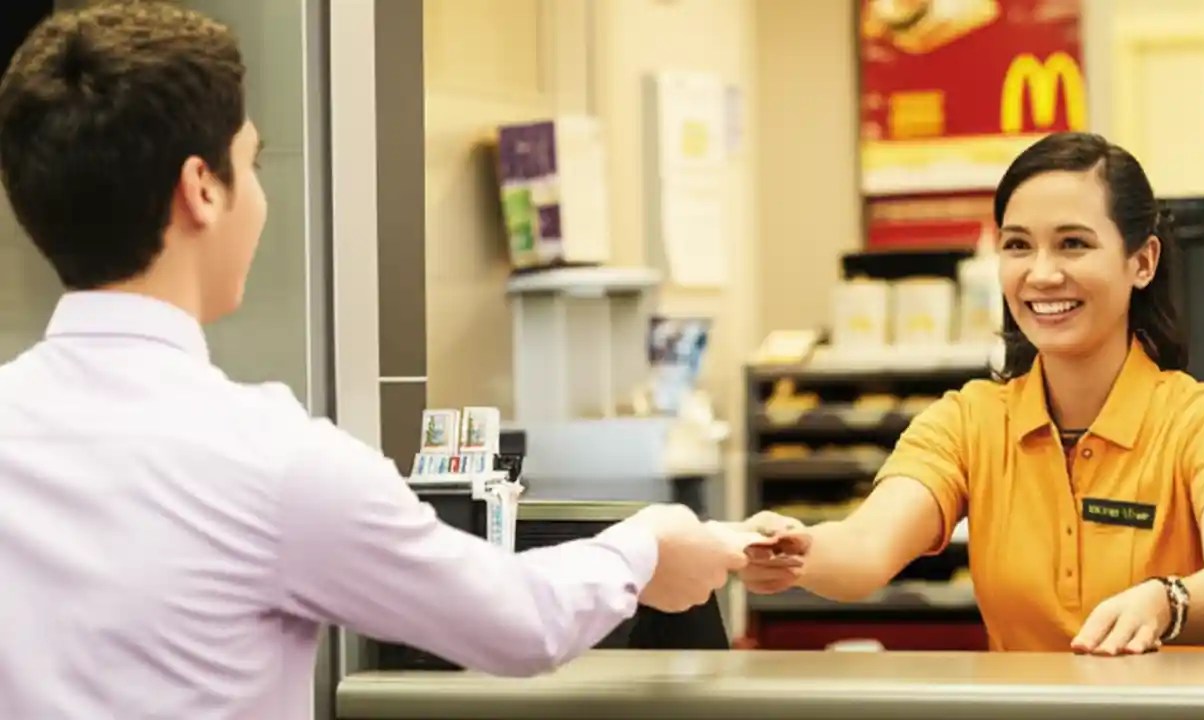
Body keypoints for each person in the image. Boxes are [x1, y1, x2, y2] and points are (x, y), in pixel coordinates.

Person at [0, 4, 753, 719]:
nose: (259, 197)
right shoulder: (271, 460)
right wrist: (646, 546)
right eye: (250, 162)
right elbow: (517, 623)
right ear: (202, 189)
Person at [739, 132, 1204, 655]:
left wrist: (1167, 601)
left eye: (1073, 244)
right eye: (1018, 245)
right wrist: (795, 551)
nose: (1041, 274)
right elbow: (864, 550)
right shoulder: (968, 422)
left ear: (1142, 261)